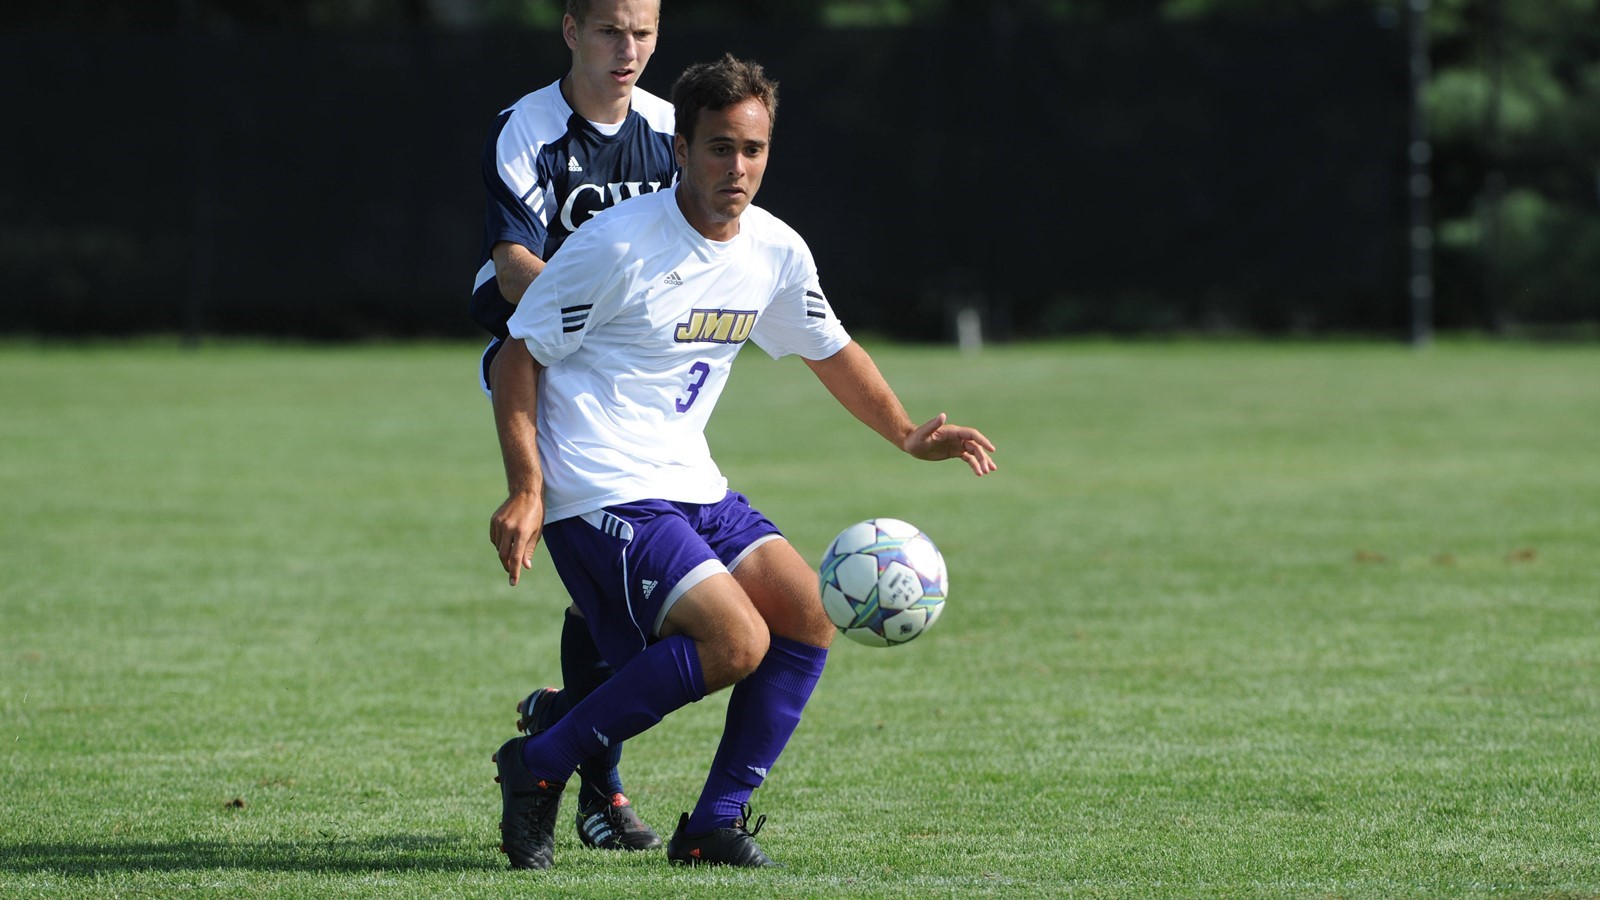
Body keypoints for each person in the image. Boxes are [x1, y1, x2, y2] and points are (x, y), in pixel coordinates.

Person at [487, 53, 998, 870]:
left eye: (753, 149)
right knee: (735, 640)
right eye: (719, 148)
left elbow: (829, 348)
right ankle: (540, 764)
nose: (738, 167)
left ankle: (711, 824)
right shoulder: (617, 245)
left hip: (688, 479)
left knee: (807, 616)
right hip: (598, 483)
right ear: (681, 150)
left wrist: (906, 432)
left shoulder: (774, 250)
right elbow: (519, 353)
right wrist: (526, 489)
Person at [470, 0, 675, 853]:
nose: (628, 49)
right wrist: (607, 311)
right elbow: (514, 266)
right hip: (547, 369)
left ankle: (562, 719)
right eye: (609, 31)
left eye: (644, 32)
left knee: (626, 600)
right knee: (632, 598)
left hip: (638, 382)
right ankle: (601, 790)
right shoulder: (527, 128)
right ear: (570, 31)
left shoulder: (672, 128)